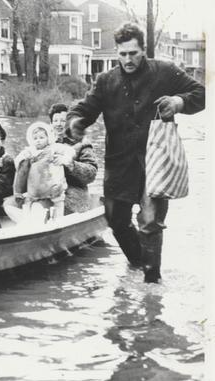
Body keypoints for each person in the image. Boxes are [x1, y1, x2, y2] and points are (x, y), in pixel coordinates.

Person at [66, 22, 205, 283]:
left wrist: (178, 102)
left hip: (156, 162)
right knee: (114, 218)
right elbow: (85, 109)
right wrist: (75, 123)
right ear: (117, 52)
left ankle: (152, 284)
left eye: (133, 53)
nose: (128, 59)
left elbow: (202, 93)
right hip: (119, 165)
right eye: (122, 54)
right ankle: (139, 263)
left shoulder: (164, 72)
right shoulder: (106, 81)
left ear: (143, 50)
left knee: (150, 222)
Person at [8, 121, 71, 224]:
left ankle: (58, 224)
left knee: (58, 208)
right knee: (28, 206)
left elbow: (69, 151)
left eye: (41, 138)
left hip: (54, 189)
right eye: (35, 138)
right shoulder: (29, 151)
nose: (38, 141)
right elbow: (17, 163)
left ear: (48, 138)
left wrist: (64, 158)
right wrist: (22, 159)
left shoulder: (54, 148)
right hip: (35, 191)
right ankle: (29, 223)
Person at [47, 102, 99, 214]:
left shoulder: (82, 143)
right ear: (51, 124)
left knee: (55, 205)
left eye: (63, 120)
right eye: (55, 121)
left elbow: (92, 173)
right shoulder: (44, 143)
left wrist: (71, 164)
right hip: (47, 191)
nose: (59, 124)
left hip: (74, 194)